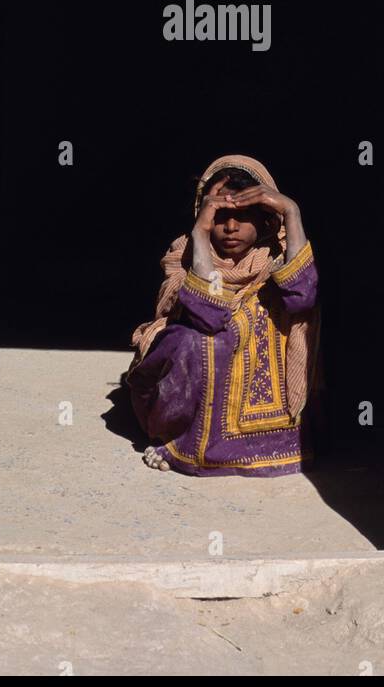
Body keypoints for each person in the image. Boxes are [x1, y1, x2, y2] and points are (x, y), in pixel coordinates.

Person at [124, 154, 320, 476]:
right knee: (193, 339)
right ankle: (181, 441)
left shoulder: (276, 257)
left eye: (243, 215)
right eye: (218, 216)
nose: (230, 227)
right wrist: (200, 235)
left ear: (267, 220)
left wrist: (291, 212)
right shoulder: (183, 253)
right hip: (181, 401)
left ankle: (261, 443)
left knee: (266, 322)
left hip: (262, 413)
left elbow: (302, 298)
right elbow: (208, 314)